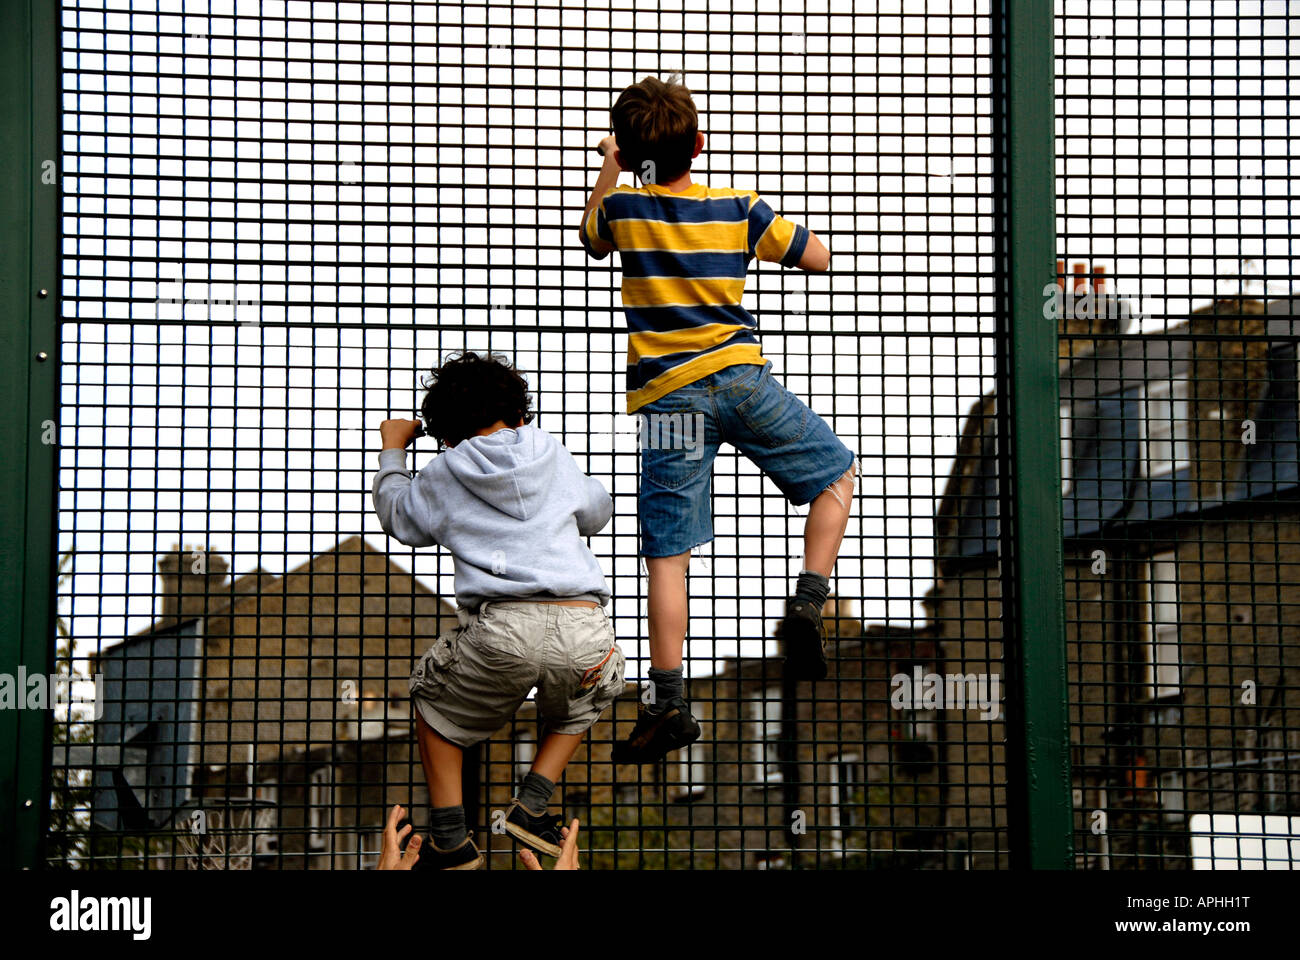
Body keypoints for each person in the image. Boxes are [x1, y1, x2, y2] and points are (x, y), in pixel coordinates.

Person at [579, 76, 857, 765]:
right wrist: (755, 233)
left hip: (668, 403)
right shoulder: (739, 208)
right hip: (740, 383)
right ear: (699, 145)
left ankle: (669, 700)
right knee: (836, 477)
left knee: (668, 555)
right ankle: (808, 602)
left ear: (631, 149)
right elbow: (818, 256)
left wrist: (612, 165)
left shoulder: (624, 208)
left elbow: (591, 238)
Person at [373, 352, 625, 869]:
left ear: (445, 432)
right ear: (521, 411)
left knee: (431, 698)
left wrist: (394, 452)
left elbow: (399, 518)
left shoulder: (445, 470)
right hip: (585, 626)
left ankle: (451, 837)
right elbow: (598, 512)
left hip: (502, 631)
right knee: (590, 693)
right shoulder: (551, 452)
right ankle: (531, 806)